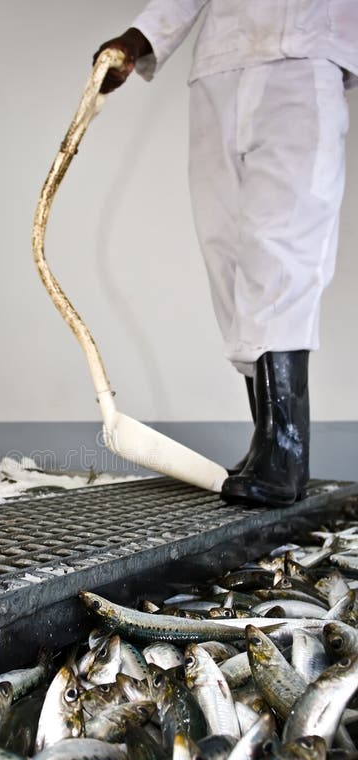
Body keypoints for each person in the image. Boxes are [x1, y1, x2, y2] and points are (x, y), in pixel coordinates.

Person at [94, 2, 357, 507]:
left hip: (303, 57)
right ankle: (266, 440)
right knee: (227, 253)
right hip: (218, 66)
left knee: (282, 249)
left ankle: (284, 451)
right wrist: (137, 39)